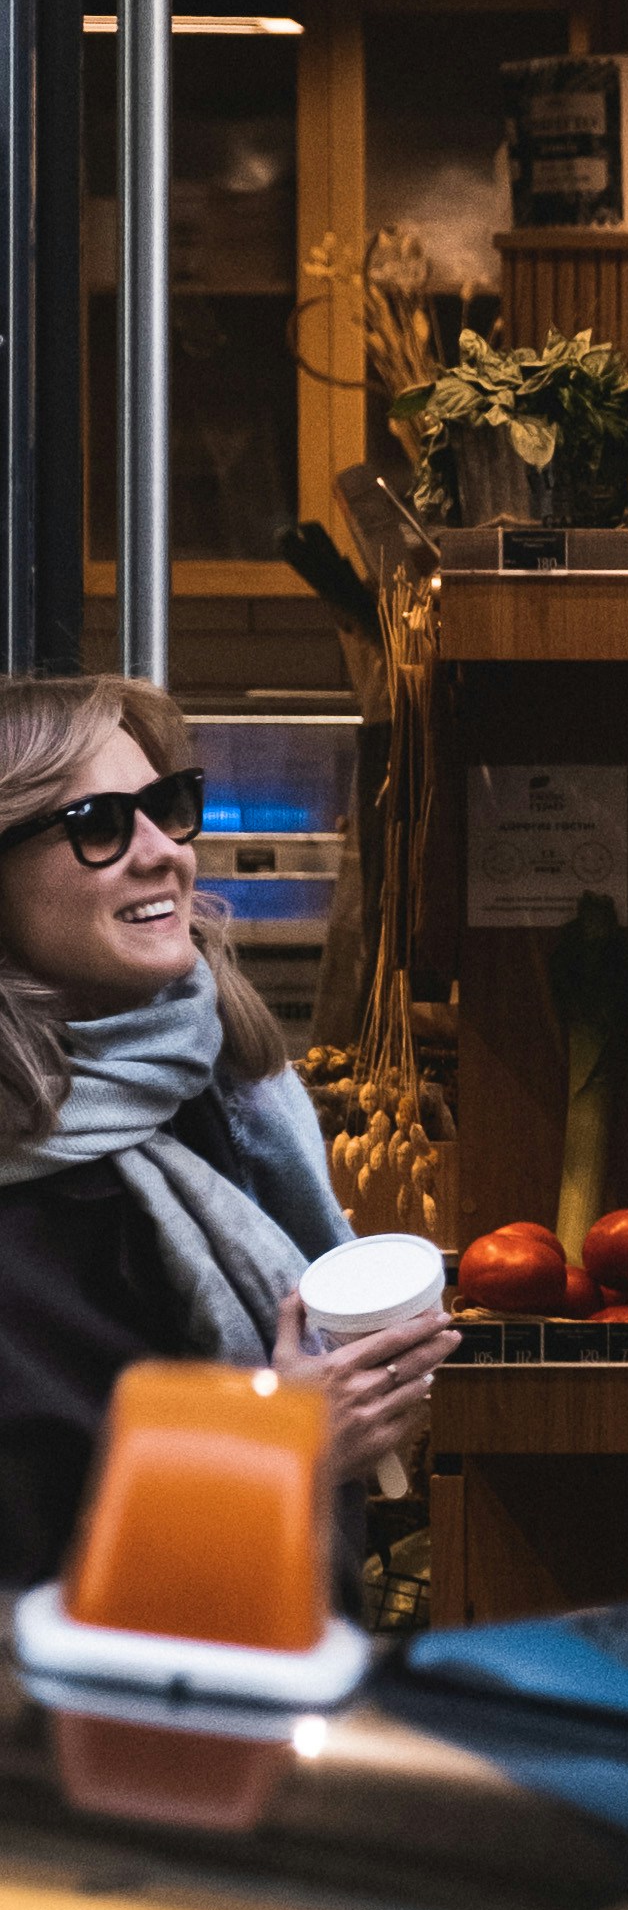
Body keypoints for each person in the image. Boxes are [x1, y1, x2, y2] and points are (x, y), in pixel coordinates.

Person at [0, 676, 449, 1583]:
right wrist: (279, 1439)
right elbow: (32, 1559)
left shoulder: (218, 1091)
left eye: (166, 808)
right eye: (98, 823)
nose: (163, 852)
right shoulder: (31, 1195)